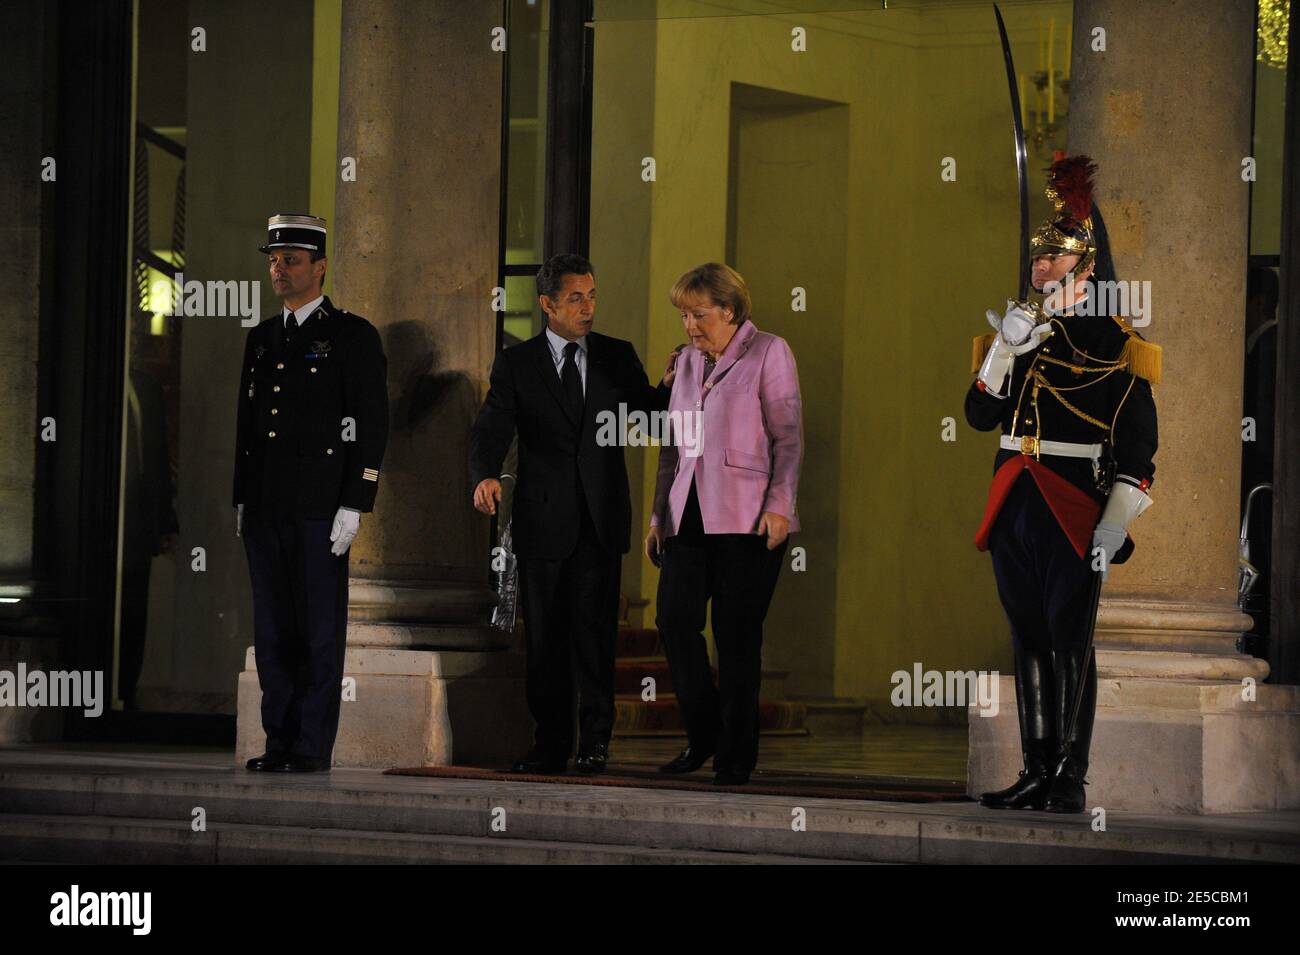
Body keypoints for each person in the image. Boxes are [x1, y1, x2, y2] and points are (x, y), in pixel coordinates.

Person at [965, 156, 1160, 813]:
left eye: (1054, 259)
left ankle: (1069, 778)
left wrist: (1117, 518)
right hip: (1013, 493)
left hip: (1073, 499)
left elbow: (1138, 445)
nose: (1038, 268)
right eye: (1037, 258)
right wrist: (1001, 349)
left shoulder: (1117, 340)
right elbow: (979, 415)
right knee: (1026, 636)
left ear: (1087, 269)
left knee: (1069, 637)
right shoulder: (1020, 334)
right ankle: (1033, 766)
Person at [468, 253, 673, 775]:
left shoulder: (616, 356)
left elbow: (650, 419)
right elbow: (493, 428)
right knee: (545, 639)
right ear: (547, 304)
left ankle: (595, 743)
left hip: (601, 521)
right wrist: (484, 475)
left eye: (593, 295)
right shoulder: (517, 364)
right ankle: (550, 743)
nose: (588, 307)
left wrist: (673, 386)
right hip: (543, 521)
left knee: (595, 636)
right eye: (576, 298)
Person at [233, 213, 389, 773]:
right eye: (274, 260)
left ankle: (310, 746)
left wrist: (356, 500)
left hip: (321, 507)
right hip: (269, 505)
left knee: (318, 630)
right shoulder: (264, 338)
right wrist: (243, 498)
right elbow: (248, 427)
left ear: (319, 267)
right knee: (273, 629)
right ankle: (278, 741)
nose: (279, 268)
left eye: (291, 260)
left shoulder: (350, 335)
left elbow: (371, 424)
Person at [646, 262, 803, 786]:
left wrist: (780, 504)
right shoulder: (685, 363)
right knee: (673, 621)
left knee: (736, 640)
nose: (689, 324)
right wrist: (657, 516)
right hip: (686, 516)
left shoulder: (770, 351)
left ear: (730, 310)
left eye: (698, 313)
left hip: (749, 518)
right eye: (684, 315)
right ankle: (704, 733)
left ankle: (736, 754)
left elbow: (788, 437)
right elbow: (671, 446)